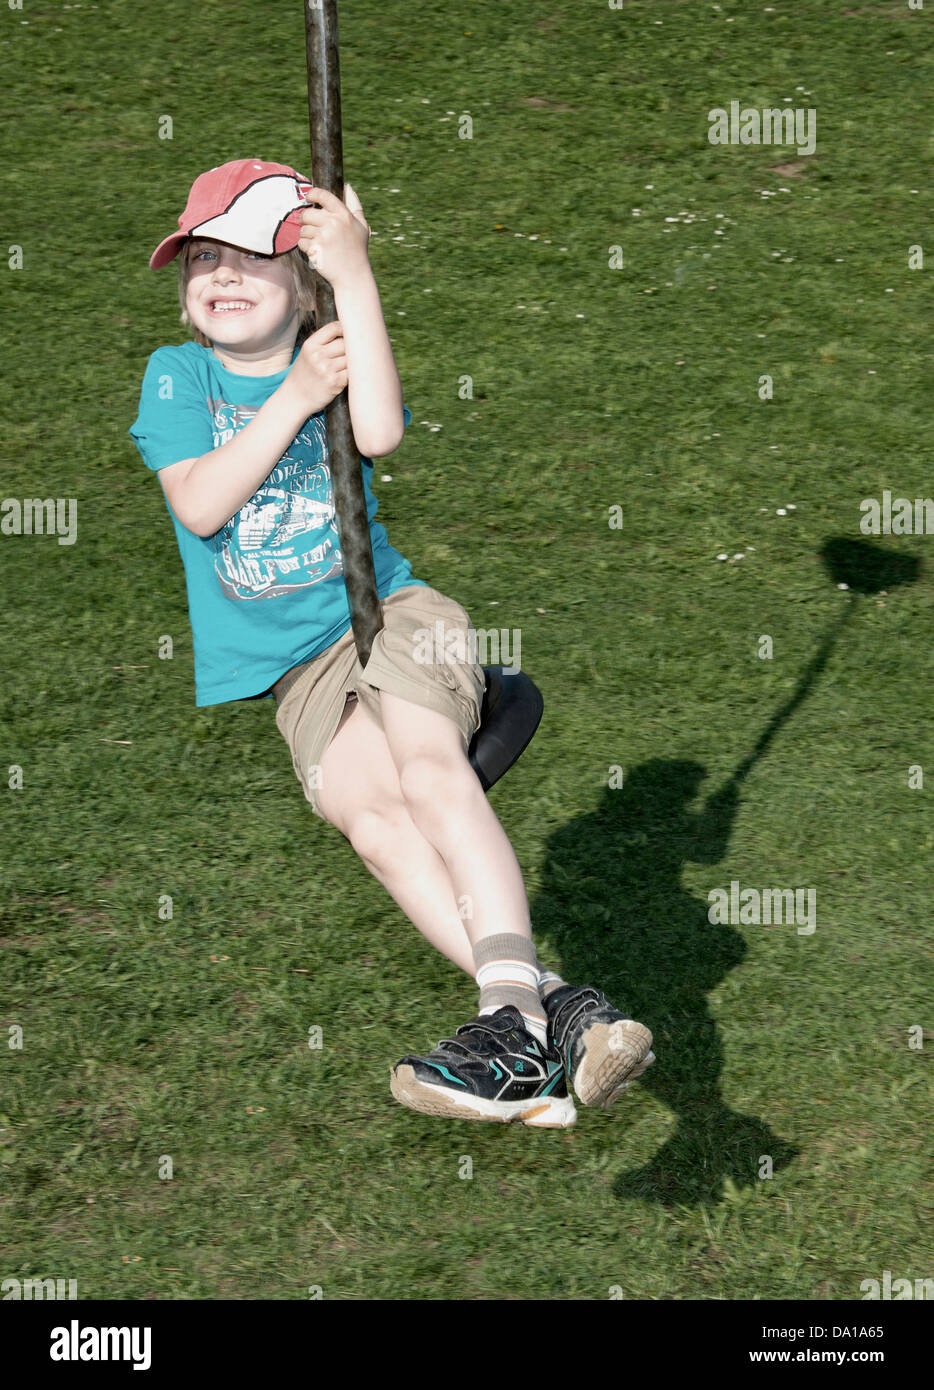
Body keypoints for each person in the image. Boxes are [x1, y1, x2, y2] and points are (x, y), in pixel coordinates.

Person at [129, 158, 655, 1128]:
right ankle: (565, 1015)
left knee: (422, 772)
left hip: (389, 613)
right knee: (370, 820)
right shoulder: (181, 376)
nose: (223, 275)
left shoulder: (334, 338)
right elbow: (201, 504)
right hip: (294, 673)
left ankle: (505, 1018)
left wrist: (358, 277)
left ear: (305, 280)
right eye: (203, 257)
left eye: (252, 256)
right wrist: (289, 397)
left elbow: (375, 432)